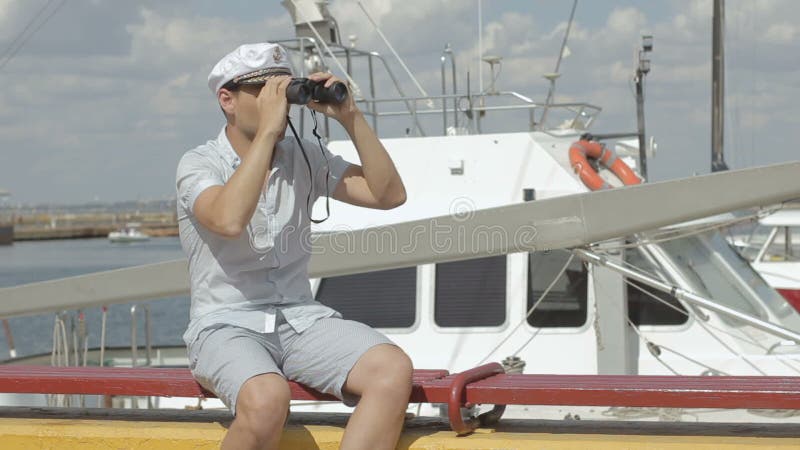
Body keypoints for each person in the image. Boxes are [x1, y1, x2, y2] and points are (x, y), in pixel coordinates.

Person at [175, 42, 411, 450]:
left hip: (300, 319)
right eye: (265, 91)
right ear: (227, 100)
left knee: (391, 370)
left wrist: (350, 118)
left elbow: (388, 194)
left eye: (284, 90)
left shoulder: (305, 157)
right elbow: (228, 220)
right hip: (224, 325)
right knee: (267, 399)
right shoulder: (199, 164)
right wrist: (269, 131)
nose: (279, 103)